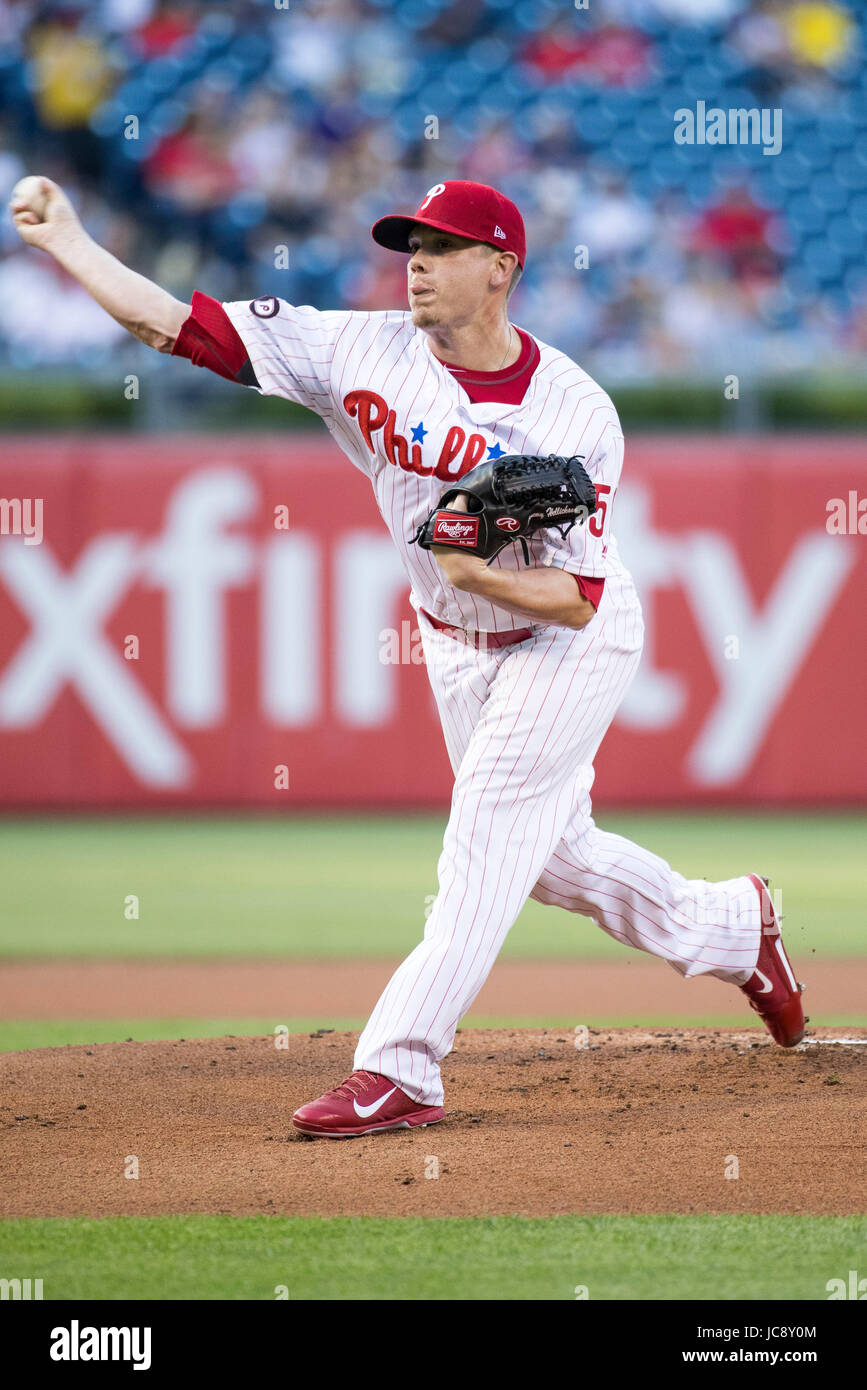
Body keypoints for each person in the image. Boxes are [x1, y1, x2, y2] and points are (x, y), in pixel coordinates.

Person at [10, 175, 806, 1139]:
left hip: (566, 641)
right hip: (454, 646)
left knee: (482, 839)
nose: (415, 265)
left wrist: (474, 570)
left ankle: (400, 1066)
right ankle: (731, 926)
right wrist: (72, 244)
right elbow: (179, 329)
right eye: (408, 246)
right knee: (550, 861)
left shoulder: (575, 411)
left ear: (500, 268)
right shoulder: (359, 347)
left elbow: (580, 596)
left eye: (440, 247)